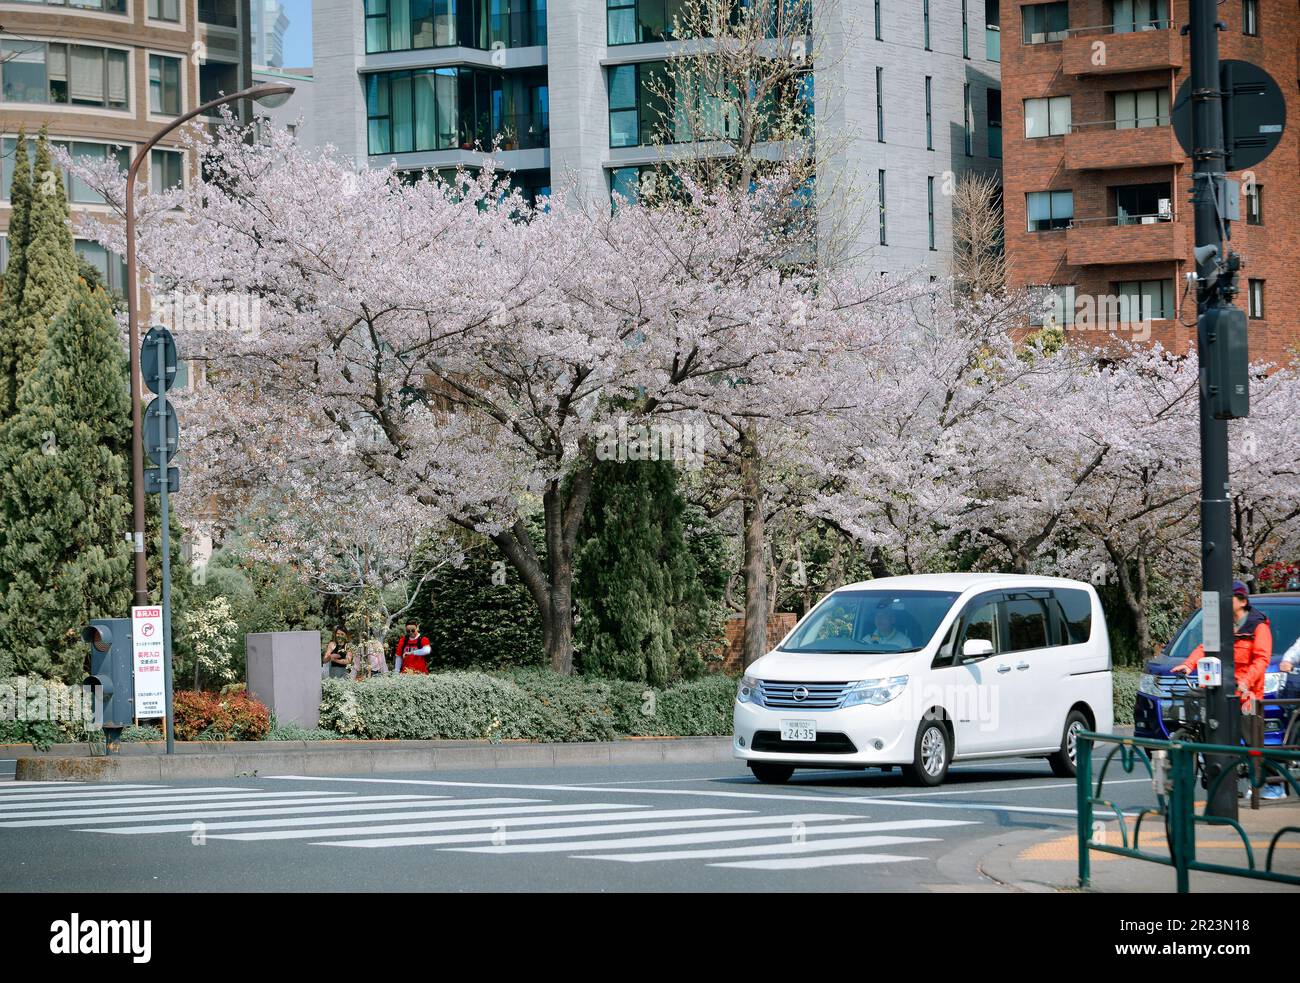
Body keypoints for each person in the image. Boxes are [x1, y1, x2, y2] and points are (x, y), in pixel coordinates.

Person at [1171, 581, 1272, 709]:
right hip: (1220, 691)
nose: (1224, 602)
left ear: (1243, 602)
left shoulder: (1259, 627)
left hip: (1246, 695)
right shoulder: (1223, 625)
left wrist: (1246, 682)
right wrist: (1188, 665)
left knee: (1246, 727)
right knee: (1195, 708)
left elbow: (1261, 660)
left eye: (1230, 598)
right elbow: (1206, 647)